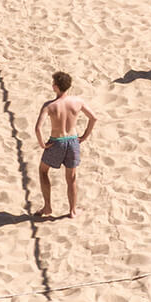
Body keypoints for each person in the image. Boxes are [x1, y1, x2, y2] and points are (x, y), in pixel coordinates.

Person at [35, 72, 98, 219]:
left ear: (55, 87)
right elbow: (94, 118)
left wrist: (42, 144)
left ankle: (48, 206)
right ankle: (72, 211)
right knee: (71, 178)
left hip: (56, 142)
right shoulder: (77, 101)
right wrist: (84, 136)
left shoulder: (49, 106)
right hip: (73, 141)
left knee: (43, 171)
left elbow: (37, 128)